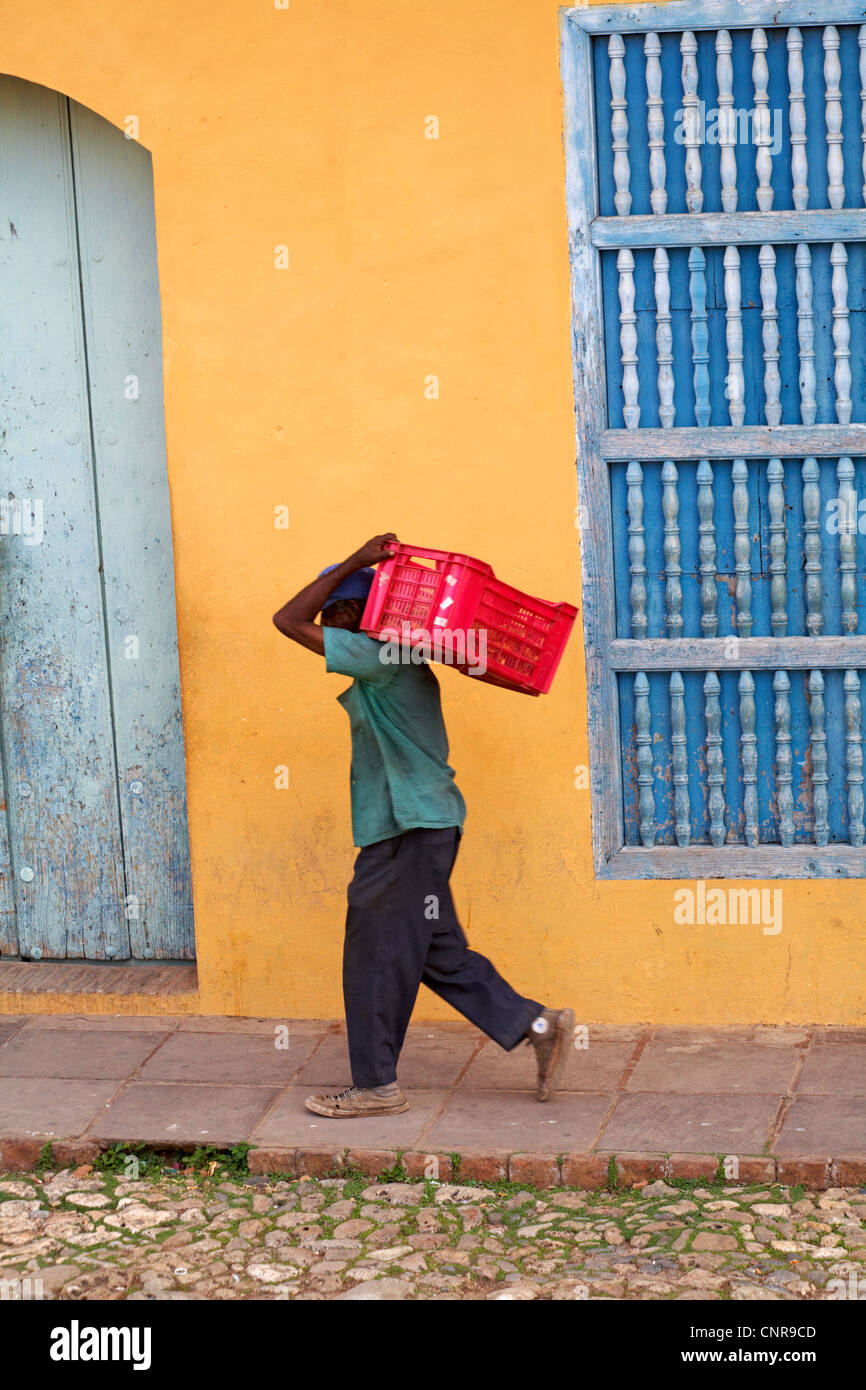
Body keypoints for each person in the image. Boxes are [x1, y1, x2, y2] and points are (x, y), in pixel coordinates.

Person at [272, 533, 574, 1117]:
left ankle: (376, 1088)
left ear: (353, 612)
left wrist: (356, 562)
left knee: (374, 953)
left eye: (336, 608)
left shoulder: (381, 655)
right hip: (424, 828)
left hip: (406, 833)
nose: (326, 620)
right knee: (438, 952)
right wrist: (354, 570)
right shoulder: (394, 660)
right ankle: (539, 1025)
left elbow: (286, 620)